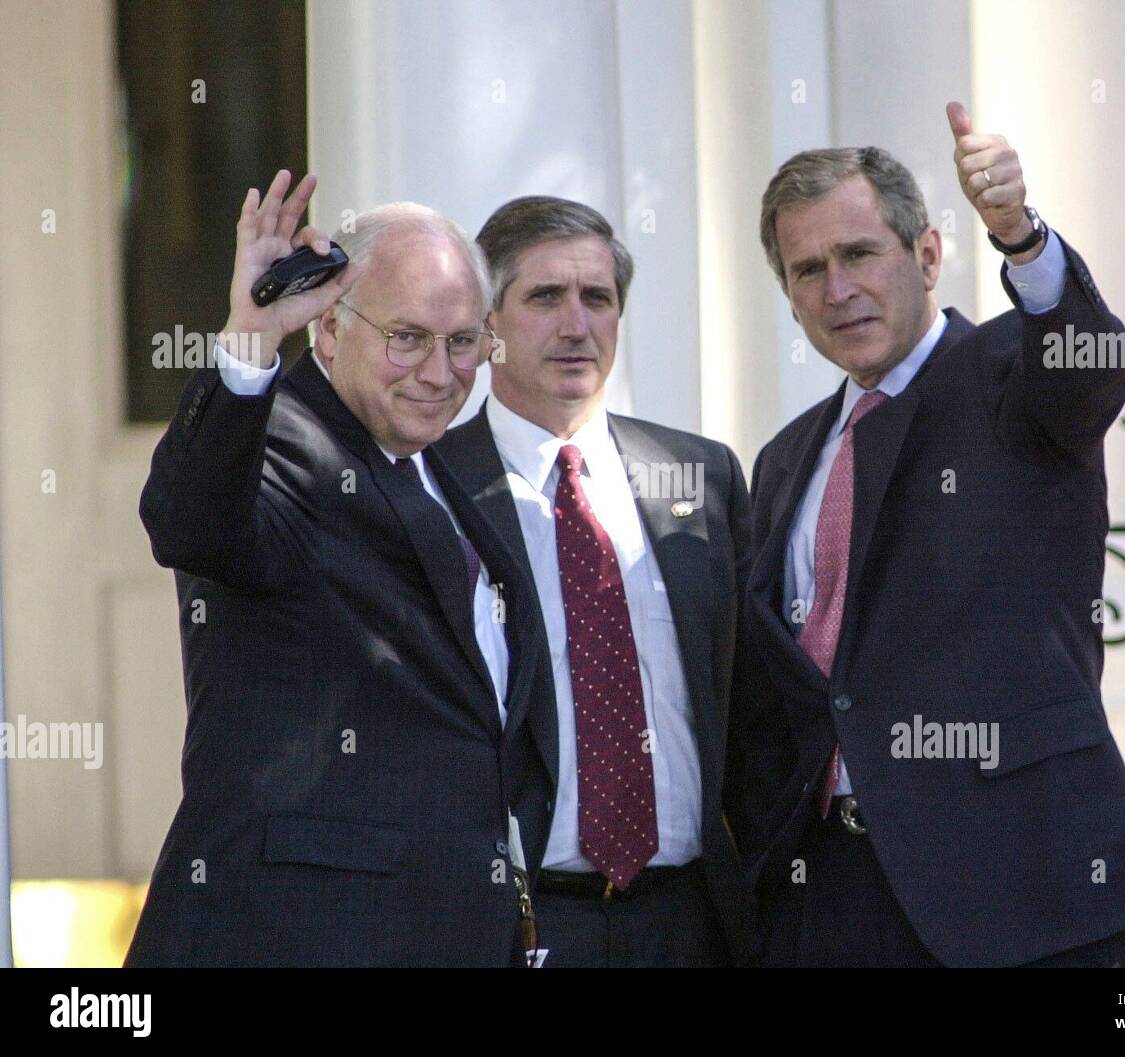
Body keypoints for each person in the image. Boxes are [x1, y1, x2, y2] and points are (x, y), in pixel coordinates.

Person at [730, 104, 1125, 967]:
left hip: (1023, 890)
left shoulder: (1012, 376)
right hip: (835, 894)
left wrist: (1023, 238)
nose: (837, 288)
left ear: (927, 254)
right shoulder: (785, 458)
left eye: (859, 254)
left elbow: (1087, 364)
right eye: (806, 268)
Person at [125, 171, 548, 966]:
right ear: (327, 332)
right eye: (408, 337)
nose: (439, 371)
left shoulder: (444, 474)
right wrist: (250, 340)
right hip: (297, 935)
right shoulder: (284, 445)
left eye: (463, 342)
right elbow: (189, 521)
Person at [436, 196, 757, 966]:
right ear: (488, 326)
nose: (576, 324)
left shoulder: (701, 476)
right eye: (545, 297)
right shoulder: (430, 483)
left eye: (598, 299)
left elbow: (751, 704)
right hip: (525, 923)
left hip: (693, 922)